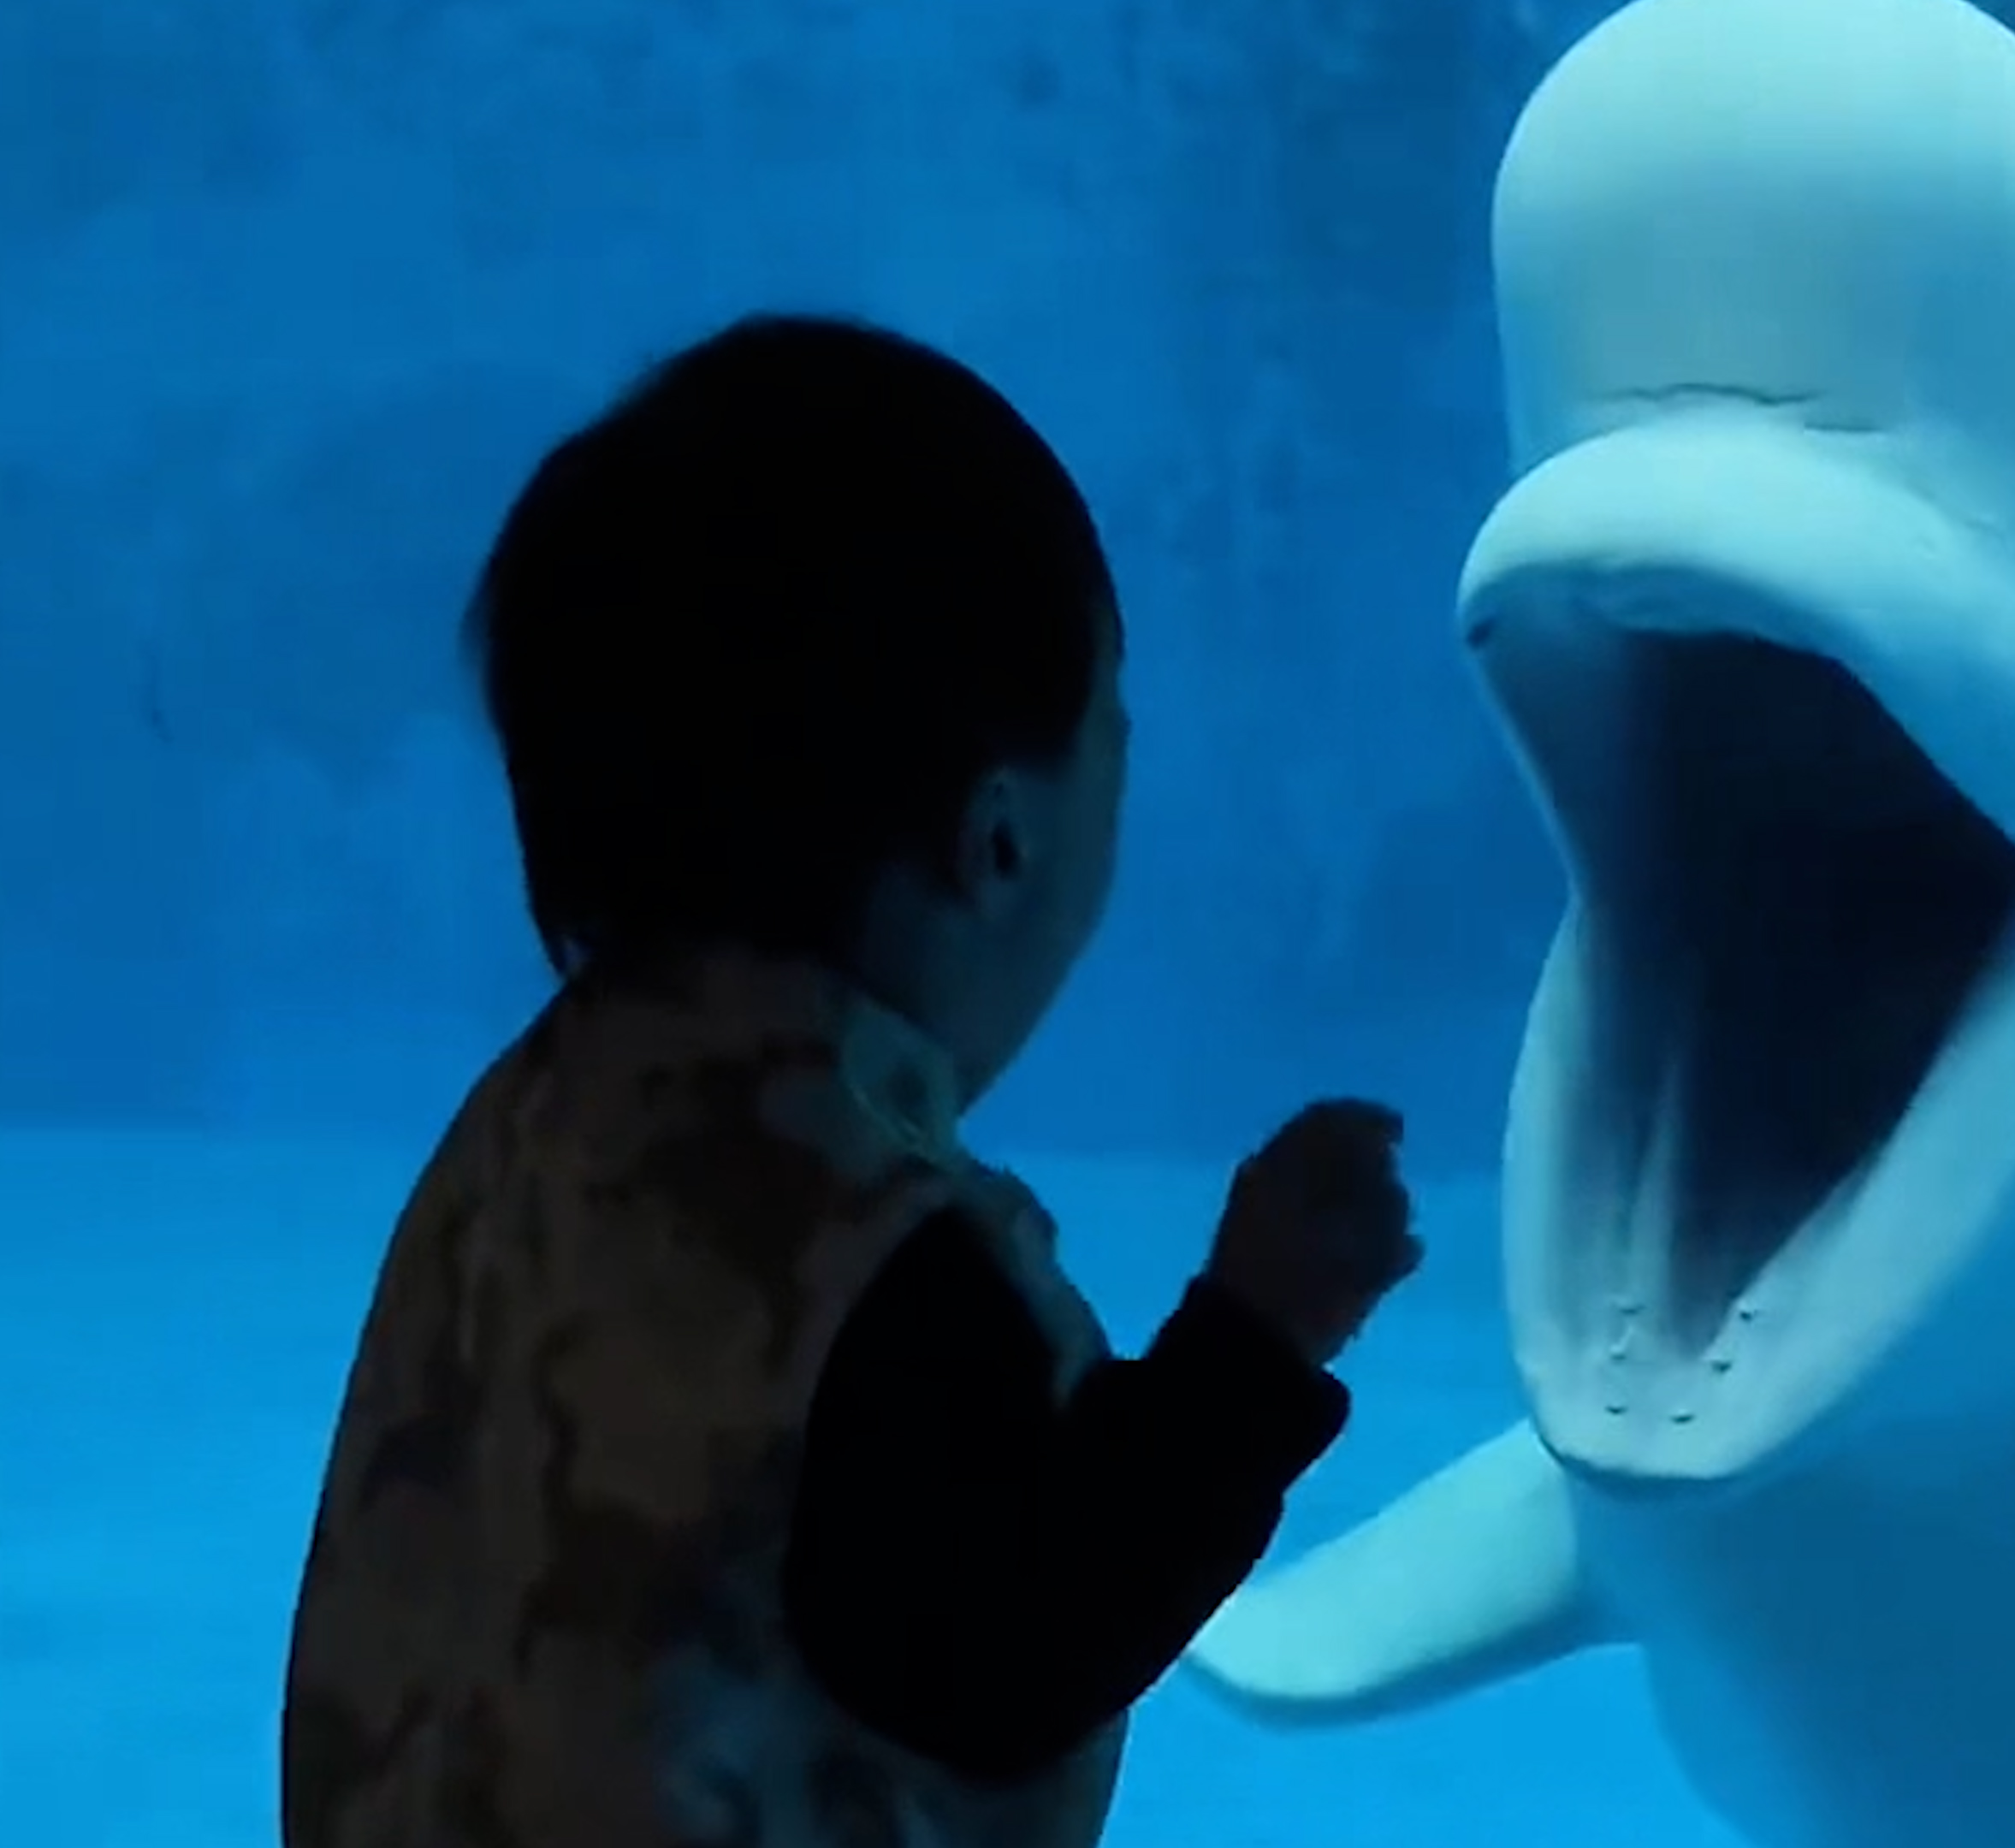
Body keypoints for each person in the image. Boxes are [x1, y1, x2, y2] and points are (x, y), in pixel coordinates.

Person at [279, 312, 1423, 1848]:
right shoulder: (868, 1252)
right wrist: (1254, 1346)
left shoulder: (533, 1131)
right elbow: (1012, 1650)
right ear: (998, 840)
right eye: (1114, 737)